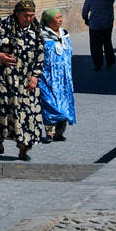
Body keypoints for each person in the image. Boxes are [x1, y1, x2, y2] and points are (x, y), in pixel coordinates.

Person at [0, 0, 45, 160]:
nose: (29, 18)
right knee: (0, 111)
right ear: (17, 14)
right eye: (26, 15)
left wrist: (35, 76)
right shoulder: (2, 25)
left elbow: (40, 53)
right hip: (2, 79)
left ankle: (23, 150)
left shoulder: (35, 29)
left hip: (25, 81)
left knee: (26, 114)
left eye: (32, 15)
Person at [38, 7, 76, 143]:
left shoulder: (64, 34)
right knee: (49, 103)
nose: (60, 20)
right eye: (57, 18)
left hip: (64, 78)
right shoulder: (41, 36)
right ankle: (49, 133)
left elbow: (69, 52)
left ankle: (59, 133)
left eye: (61, 17)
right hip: (47, 77)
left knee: (64, 103)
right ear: (48, 21)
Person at [81, 0, 116, 70]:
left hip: (95, 25)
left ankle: (98, 63)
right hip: (107, 25)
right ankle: (110, 62)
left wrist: (85, 18)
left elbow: (85, 9)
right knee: (107, 43)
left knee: (95, 45)